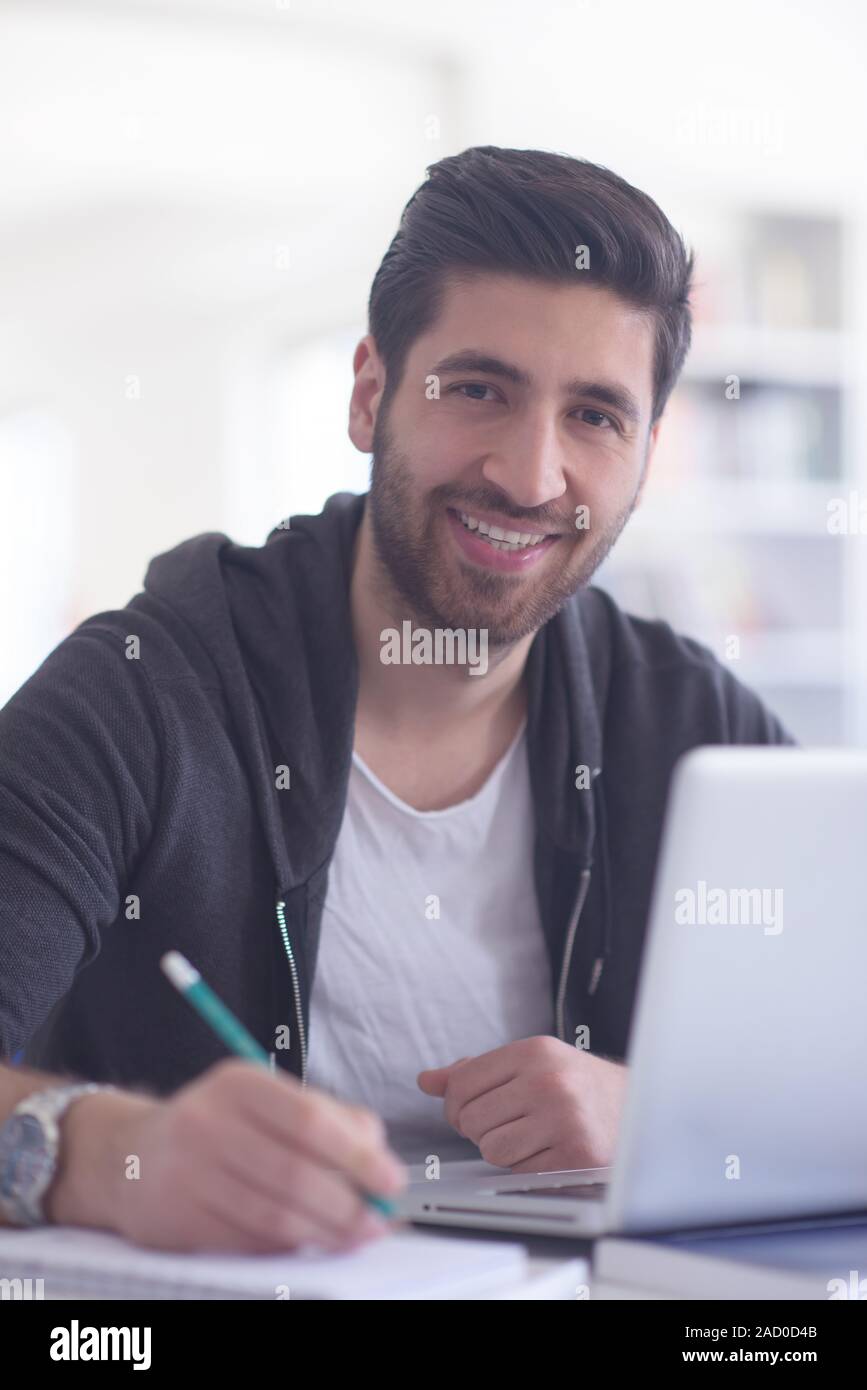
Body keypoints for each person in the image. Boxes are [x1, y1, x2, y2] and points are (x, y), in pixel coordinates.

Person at [0, 146, 793, 1253]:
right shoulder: (141, 694)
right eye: (479, 389)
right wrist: (110, 1155)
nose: (529, 475)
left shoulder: (696, 728)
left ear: (647, 452)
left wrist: (664, 1113)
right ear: (372, 392)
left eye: (595, 417)